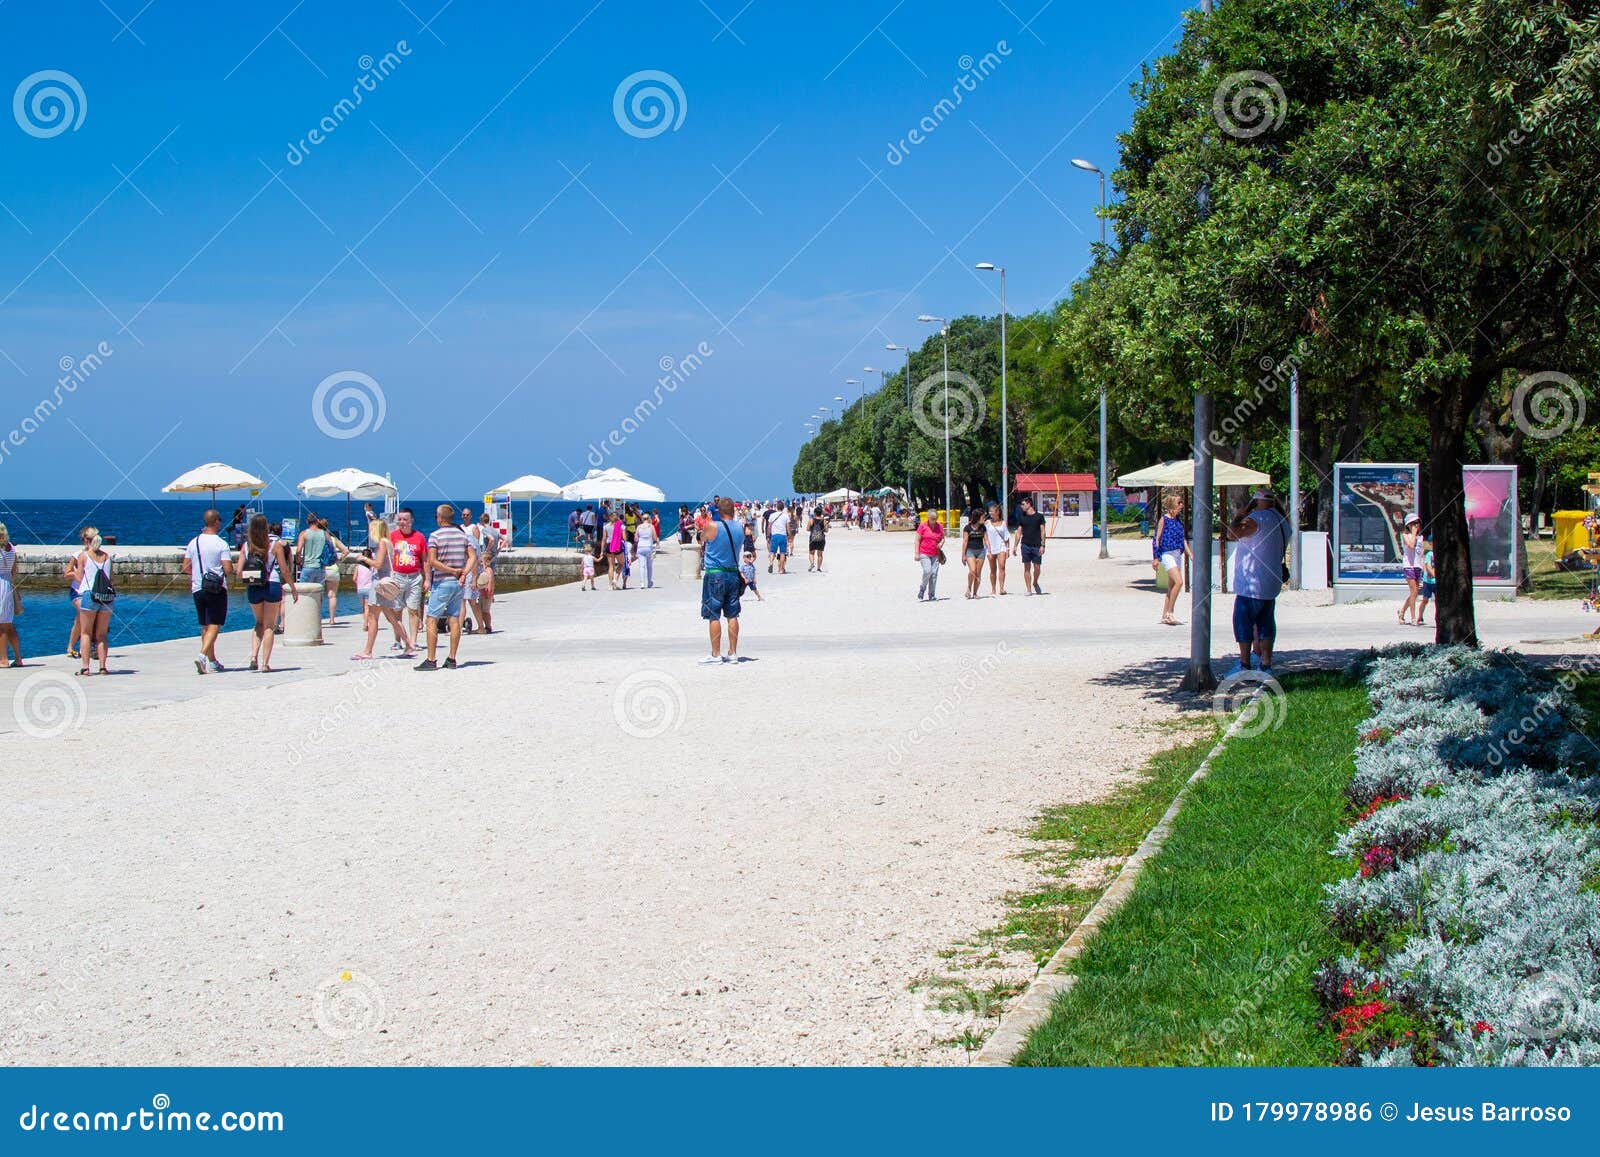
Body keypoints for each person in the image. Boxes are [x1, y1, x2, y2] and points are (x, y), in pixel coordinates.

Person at [1227, 489, 1290, 676]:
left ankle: (1244, 663)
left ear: (1256, 502)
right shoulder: (1283, 520)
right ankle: (1266, 664)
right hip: (1272, 581)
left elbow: (1231, 533)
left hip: (1252, 582)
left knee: (1243, 622)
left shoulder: (1257, 519)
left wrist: (1240, 514)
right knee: (1266, 623)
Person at [415, 505, 477, 671]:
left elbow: (432, 561)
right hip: (458, 584)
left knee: (431, 619)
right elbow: (473, 556)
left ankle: (431, 659)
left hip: (442, 582)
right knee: (454, 618)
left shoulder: (435, 536)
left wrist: (452, 570)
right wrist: (463, 573)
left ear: (439, 517)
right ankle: (452, 658)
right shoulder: (462, 535)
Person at [237, 513, 298, 672]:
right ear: (266, 528)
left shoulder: (246, 546)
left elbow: (238, 572)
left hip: (254, 586)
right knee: (269, 626)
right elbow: (284, 570)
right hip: (272, 584)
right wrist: (292, 587)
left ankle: (253, 657)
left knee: (258, 623)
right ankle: (265, 664)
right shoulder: (275, 545)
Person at [349, 518, 409, 659]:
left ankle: (368, 651)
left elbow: (378, 564)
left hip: (379, 584)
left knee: (372, 617)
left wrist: (363, 559)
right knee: (392, 618)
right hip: (385, 583)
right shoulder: (388, 543)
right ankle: (409, 645)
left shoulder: (382, 543)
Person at [181, 511, 231, 675]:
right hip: (216, 589)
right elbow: (228, 569)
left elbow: (185, 567)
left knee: (205, 625)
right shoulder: (221, 543)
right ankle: (202, 656)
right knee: (215, 624)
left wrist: (199, 574)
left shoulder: (193, 542)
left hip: (198, 588)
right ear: (216, 522)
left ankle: (212, 661)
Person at [698, 497, 744, 664]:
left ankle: (716, 654)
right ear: (733, 510)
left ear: (719, 511)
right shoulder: (739, 527)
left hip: (715, 574)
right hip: (733, 573)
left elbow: (702, 539)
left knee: (713, 615)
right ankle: (733, 653)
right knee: (732, 614)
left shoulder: (712, 525)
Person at [389, 508, 429, 648]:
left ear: (411, 521)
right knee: (397, 610)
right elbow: (387, 557)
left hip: (414, 577)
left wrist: (427, 579)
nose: (402, 522)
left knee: (413, 609)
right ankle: (398, 639)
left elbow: (425, 560)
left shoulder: (419, 537)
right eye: (399, 519)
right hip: (397, 577)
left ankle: (413, 641)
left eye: (405, 519)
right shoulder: (392, 536)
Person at [1151, 492, 1190, 626]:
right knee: (1179, 582)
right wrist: (1155, 557)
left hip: (1177, 553)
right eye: (1179, 503)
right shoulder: (1164, 519)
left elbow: (1182, 538)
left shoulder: (1178, 520)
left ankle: (1164, 615)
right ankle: (1170, 612)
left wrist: (1190, 554)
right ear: (1173, 504)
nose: (1181, 505)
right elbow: (1156, 538)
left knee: (1171, 586)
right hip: (1167, 554)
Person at [1011, 497, 1048, 595]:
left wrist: (1043, 545)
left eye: (1023, 504)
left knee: (1037, 567)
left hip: (1037, 545)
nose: (1021, 506)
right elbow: (1018, 532)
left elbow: (1043, 531)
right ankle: (1028, 589)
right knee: (1026, 568)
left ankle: (1035, 582)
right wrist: (1015, 546)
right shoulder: (1021, 517)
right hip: (1025, 545)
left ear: (1029, 504)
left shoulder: (1039, 516)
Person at [471, 512, 497, 633]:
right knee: (482, 610)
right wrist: (498, 550)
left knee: (485, 611)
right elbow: (504, 539)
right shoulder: (495, 530)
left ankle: (488, 626)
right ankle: (485, 625)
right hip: (482, 592)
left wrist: (486, 550)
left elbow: (490, 581)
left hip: (486, 593)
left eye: (482, 562)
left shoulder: (486, 530)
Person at [0, 521, 20, 667]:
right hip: (8, 585)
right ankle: (18, 658)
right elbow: (14, 571)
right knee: (9, 625)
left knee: (1, 627)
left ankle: (3, 659)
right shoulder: (11, 548)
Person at [1399, 513, 1424, 626]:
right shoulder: (1405, 535)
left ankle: (1402, 611)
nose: (1416, 525)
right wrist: (1413, 533)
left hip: (1417, 566)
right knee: (1413, 591)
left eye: (1417, 523)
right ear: (1408, 525)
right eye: (1413, 523)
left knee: (1416, 592)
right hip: (1409, 565)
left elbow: (1421, 553)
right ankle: (1413, 617)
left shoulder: (1421, 537)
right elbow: (1411, 545)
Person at [915, 512, 944, 601]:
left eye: (935, 518)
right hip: (924, 553)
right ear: (928, 517)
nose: (933, 520)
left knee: (934, 574)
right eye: (932, 518)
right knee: (927, 571)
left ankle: (931, 594)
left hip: (935, 553)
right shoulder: (922, 526)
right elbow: (917, 540)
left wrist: (941, 543)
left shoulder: (939, 526)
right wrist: (917, 553)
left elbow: (942, 538)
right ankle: (922, 588)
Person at [983, 504, 1010, 596]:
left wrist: (1008, 549)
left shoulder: (1003, 523)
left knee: (1002, 567)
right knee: (992, 569)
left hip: (1001, 547)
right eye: (989, 511)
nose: (990, 513)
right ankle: (993, 589)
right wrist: (987, 548)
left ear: (997, 512)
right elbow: (984, 536)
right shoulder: (987, 523)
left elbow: (1006, 537)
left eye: (992, 511)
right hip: (990, 548)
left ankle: (1002, 588)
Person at [961, 507, 987, 599]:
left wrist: (990, 550)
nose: (984, 519)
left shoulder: (983, 527)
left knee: (978, 573)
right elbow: (965, 541)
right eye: (983, 517)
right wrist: (963, 555)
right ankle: (968, 587)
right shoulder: (967, 527)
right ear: (977, 517)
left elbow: (986, 540)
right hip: (970, 551)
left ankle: (975, 593)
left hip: (981, 551)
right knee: (972, 570)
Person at [634, 508, 658, 588]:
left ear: (642, 519)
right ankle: (649, 582)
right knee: (649, 566)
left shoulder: (639, 527)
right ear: (649, 519)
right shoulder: (651, 526)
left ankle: (642, 583)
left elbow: (636, 539)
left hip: (640, 547)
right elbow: (654, 538)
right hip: (648, 547)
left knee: (641, 566)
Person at [603, 509, 626, 589]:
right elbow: (625, 538)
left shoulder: (606, 526)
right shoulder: (621, 526)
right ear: (618, 518)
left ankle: (610, 586)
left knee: (611, 566)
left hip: (609, 546)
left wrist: (602, 550)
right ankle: (615, 580)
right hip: (618, 546)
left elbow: (604, 539)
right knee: (621, 563)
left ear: (610, 517)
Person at [1417, 539, 1436, 627]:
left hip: (1436, 582)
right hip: (1428, 581)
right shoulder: (1429, 554)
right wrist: (1434, 575)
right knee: (1425, 600)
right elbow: (1428, 566)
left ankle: (1439, 618)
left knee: (1438, 601)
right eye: (1432, 543)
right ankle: (1420, 617)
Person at [768, 502, 791, 575]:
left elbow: (769, 526)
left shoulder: (772, 515)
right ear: (783, 508)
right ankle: (781, 569)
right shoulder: (786, 516)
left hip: (774, 535)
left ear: (776, 507)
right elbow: (788, 527)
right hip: (783, 535)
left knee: (772, 551)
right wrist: (789, 536)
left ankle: (771, 563)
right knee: (782, 553)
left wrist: (768, 535)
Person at [807, 505, 827, 572]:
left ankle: (812, 563)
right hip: (821, 538)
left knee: (811, 553)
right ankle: (818, 568)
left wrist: (813, 529)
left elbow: (807, 529)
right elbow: (826, 530)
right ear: (821, 513)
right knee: (820, 554)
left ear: (814, 513)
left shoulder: (811, 520)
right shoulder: (823, 521)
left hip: (813, 538)